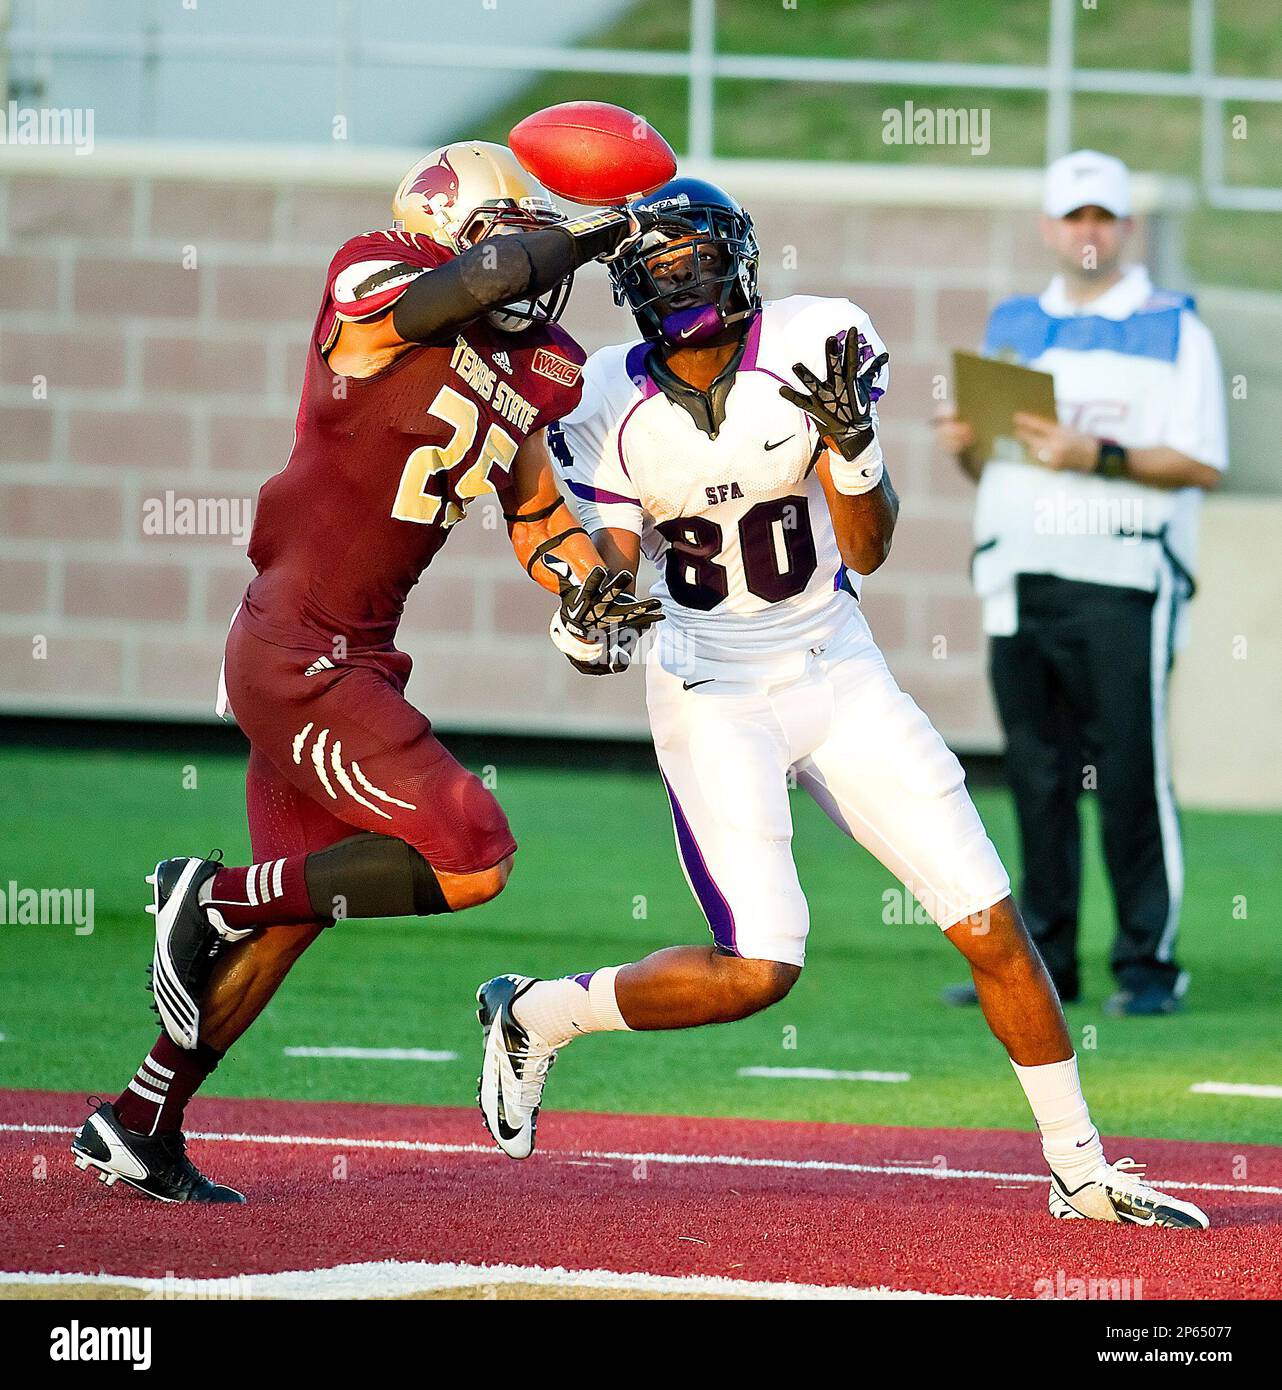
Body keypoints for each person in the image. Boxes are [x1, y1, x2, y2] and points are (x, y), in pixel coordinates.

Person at [472, 177, 1208, 1229]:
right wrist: (591, 607)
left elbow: (866, 544)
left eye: (698, 257)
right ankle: (537, 1013)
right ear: (633, 285)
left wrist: (855, 448)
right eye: (664, 264)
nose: (685, 278)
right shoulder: (602, 398)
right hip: (708, 683)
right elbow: (617, 564)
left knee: (990, 919)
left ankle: (1078, 1167)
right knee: (760, 968)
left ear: (741, 259)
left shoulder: (820, 340)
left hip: (834, 664)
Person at [69, 141, 663, 1203]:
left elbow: (531, 508)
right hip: (299, 644)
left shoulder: (544, 364)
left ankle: (139, 1118)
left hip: (354, 651)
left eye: (539, 240)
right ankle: (210, 897)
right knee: (472, 856)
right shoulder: (376, 275)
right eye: (508, 237)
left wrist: (581, 583)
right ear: (443, 233)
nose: (532, 262)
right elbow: (469, 284)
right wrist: (590, 226)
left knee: (301, 911)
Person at [936, 150, 1227, 1017]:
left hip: (1123, 574)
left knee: (1131, 775)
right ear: (1049, 228)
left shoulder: (1178, 325)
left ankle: (1147, 967)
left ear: (1126, 227)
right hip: (1020, 572)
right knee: (1038, 777)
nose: (1088, 231)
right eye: (1074, 216)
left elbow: (1202, 462)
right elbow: (993, 463)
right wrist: (966, 446)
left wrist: (1094, 455)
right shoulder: (1015, 321)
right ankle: (1046, 965)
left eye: (1103, 216)